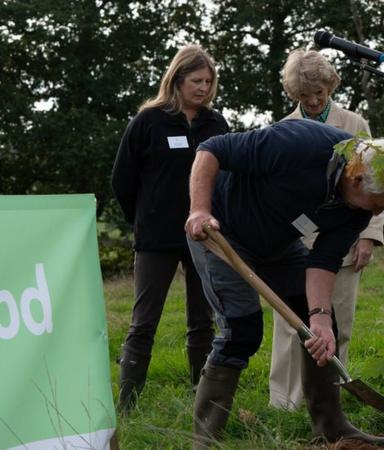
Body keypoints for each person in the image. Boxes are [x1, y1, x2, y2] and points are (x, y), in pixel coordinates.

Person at [184, 118, 384, 448]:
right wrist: (199, 209)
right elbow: (212, 149)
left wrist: (320, 319)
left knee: (320, 330)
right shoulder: (299, 144)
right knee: (241, 329)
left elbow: (324, 259)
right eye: (378, 205)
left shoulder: (359, 209)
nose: (377, 214)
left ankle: (331, 429)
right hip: (221, 231)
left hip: (278, 244)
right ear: (357, 179)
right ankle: (205, 442)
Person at [111, 44, 229, 412]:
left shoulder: (216, 124)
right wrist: (144, 219)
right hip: (156, 239)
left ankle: (202, 402)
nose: (203, 88)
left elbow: (228, 178)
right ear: (177, 80)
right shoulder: (148, 121)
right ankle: (126, 407)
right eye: (196, 81)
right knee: (143, 323)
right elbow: (122, 180)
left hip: (205, 237)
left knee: (202, 322)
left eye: (208, 81)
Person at [268, 49, 384, 411]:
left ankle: (329, 402)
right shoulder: (282, 128)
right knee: (290, 325)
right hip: (292, 243)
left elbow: (376, 180)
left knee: (338, 323)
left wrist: (370, 235)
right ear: (294, 94)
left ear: (331, 85)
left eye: (319, 93)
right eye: (305, 95)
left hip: (345, 240)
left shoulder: (354, 124)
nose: (314, 101)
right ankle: (285, 404)